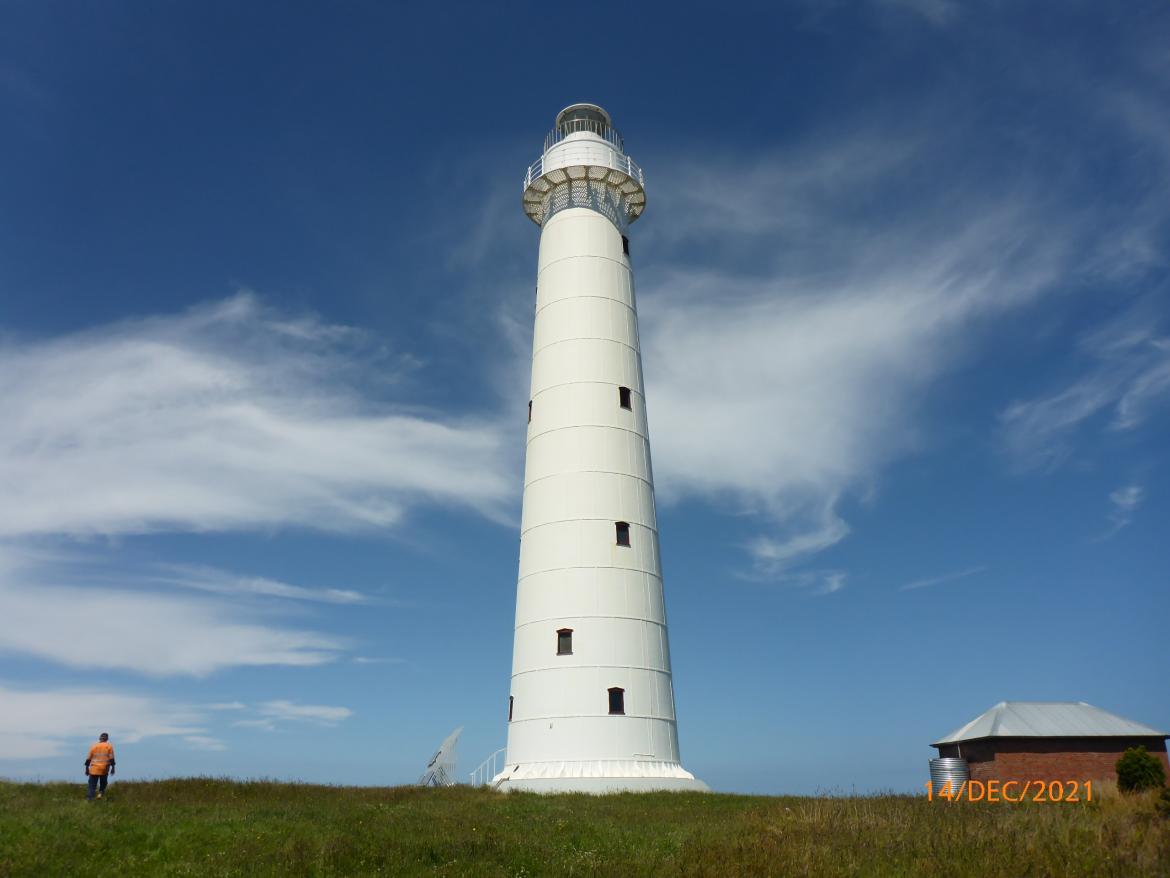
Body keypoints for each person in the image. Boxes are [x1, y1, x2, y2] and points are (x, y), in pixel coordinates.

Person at [85, 732, 116, 800]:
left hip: (94, 769)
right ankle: (100, 794)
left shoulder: (94, 746)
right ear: (107, 739)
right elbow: (111, 758)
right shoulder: (109, 746)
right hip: (104, 769)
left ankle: (90, 798)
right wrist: (113, 768)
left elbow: (88, 758)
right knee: (103, 783)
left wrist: (87, 769)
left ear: (100, 738)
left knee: (92, 785)